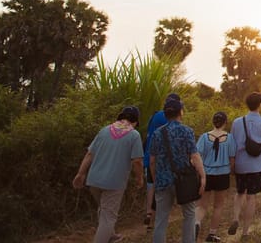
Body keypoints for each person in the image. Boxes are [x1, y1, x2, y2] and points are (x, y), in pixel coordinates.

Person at [73, 105, 144, 243]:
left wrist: (80, 173)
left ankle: (111, 236)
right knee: (108, 217)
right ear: (135, 121)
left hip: (94, 180)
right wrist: (140, 178)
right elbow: (137, 161)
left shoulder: (104, 130)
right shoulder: (134, 135)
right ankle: (105, 237)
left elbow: (90, 153)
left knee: (104, 209)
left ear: (120, 117)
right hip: (114, 183)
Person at [150, 96, 206, 243]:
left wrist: (156, 179)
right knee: (189, 215)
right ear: (181, 112)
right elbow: (194, 156)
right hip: (184, 181)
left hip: (163, 180)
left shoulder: (157, 133)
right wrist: (203, 176)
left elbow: (152, 160)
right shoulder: (186, 131)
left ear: (165, 113)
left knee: (161, 219)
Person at [228, 92, 261, 241]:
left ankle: (236, 218)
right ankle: (245, 232)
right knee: (251, 197)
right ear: (260, 104)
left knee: (239, 193)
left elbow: (232, 144)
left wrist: (232, 162)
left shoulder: (237, 122)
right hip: (257, 165)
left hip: (240, 165)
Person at [195, 111, 236, 242]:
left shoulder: (204, 137)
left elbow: (197, 156)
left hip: (206, 174)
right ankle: (212, 234)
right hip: (222, 174)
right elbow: (232, 158)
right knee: (218, 205)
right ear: (225, 123)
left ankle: (196, 223)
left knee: (202, 205)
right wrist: (230, 170)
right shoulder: (229, 138)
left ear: (213, 122)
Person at [142, 93, 179, 230]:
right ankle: (156, 219)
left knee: (151, 185)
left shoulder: (155, 115)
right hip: (162, 159)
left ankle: (148, 214)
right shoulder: (169, 118)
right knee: (160, 190)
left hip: (149, 155)